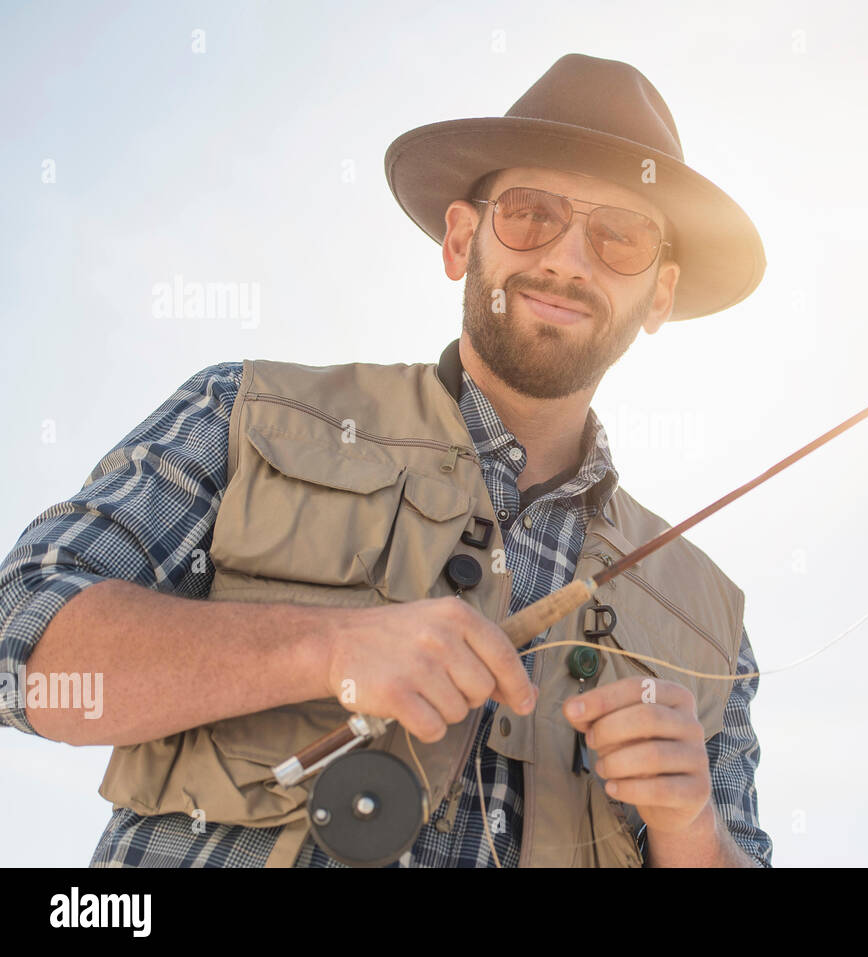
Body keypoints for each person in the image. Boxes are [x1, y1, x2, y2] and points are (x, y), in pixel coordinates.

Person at [0, 53, 771, 867]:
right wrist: (325, 649)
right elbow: (21, 644)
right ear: (462, 239)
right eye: (532, 214)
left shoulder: (712, 623)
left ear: (658, 294)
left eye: (621, 236)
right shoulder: (239, 409)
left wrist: (691, 830)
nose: (570, 261)